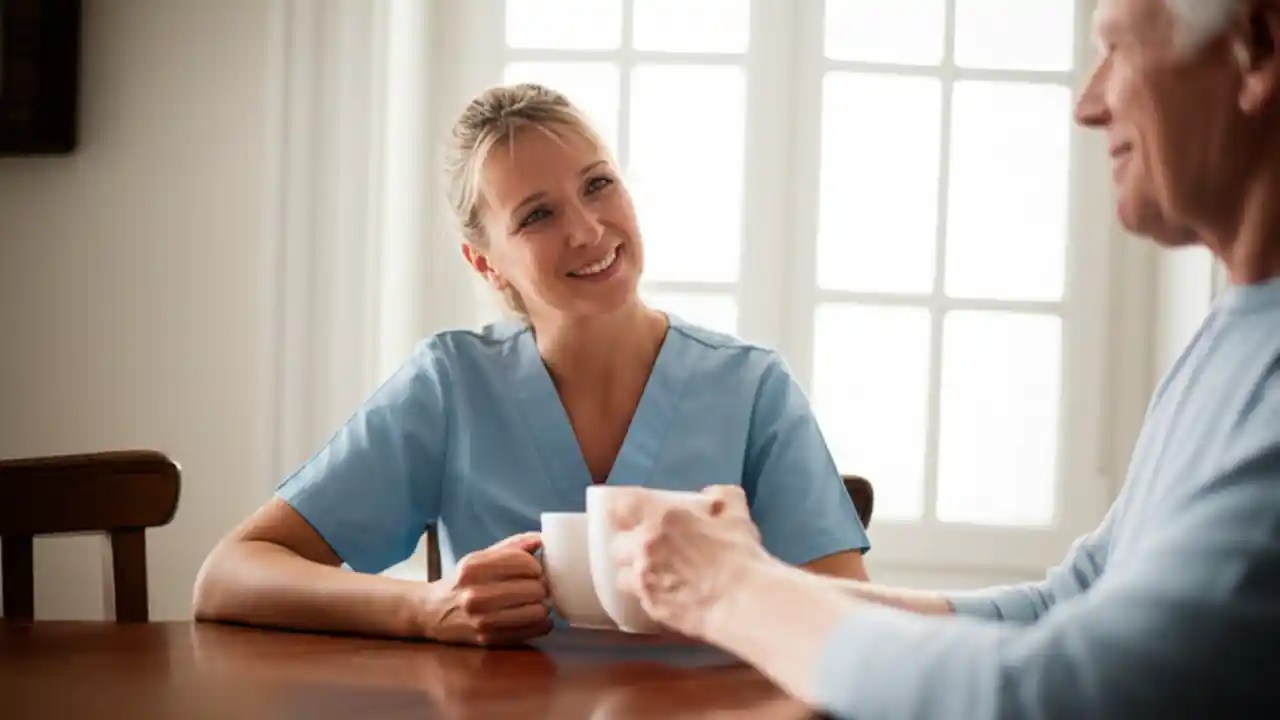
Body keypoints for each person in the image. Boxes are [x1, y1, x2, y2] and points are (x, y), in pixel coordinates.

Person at [605, 0, 1280, 716]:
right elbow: (1070, 599)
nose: (1088, 104)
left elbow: (1064, 695)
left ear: (1259, 49)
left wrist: (735, 593)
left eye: (1117, 50)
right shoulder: (1231, 335)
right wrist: (741, 591)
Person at [192, 83, 869, 646]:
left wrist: (743, 589)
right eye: (537, 215)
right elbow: (229, 575)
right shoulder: (451, 385)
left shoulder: (752, 388)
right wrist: (427, 608)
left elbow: (846, 623)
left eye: (598, 185)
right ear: (485, 262)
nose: (587, 230)